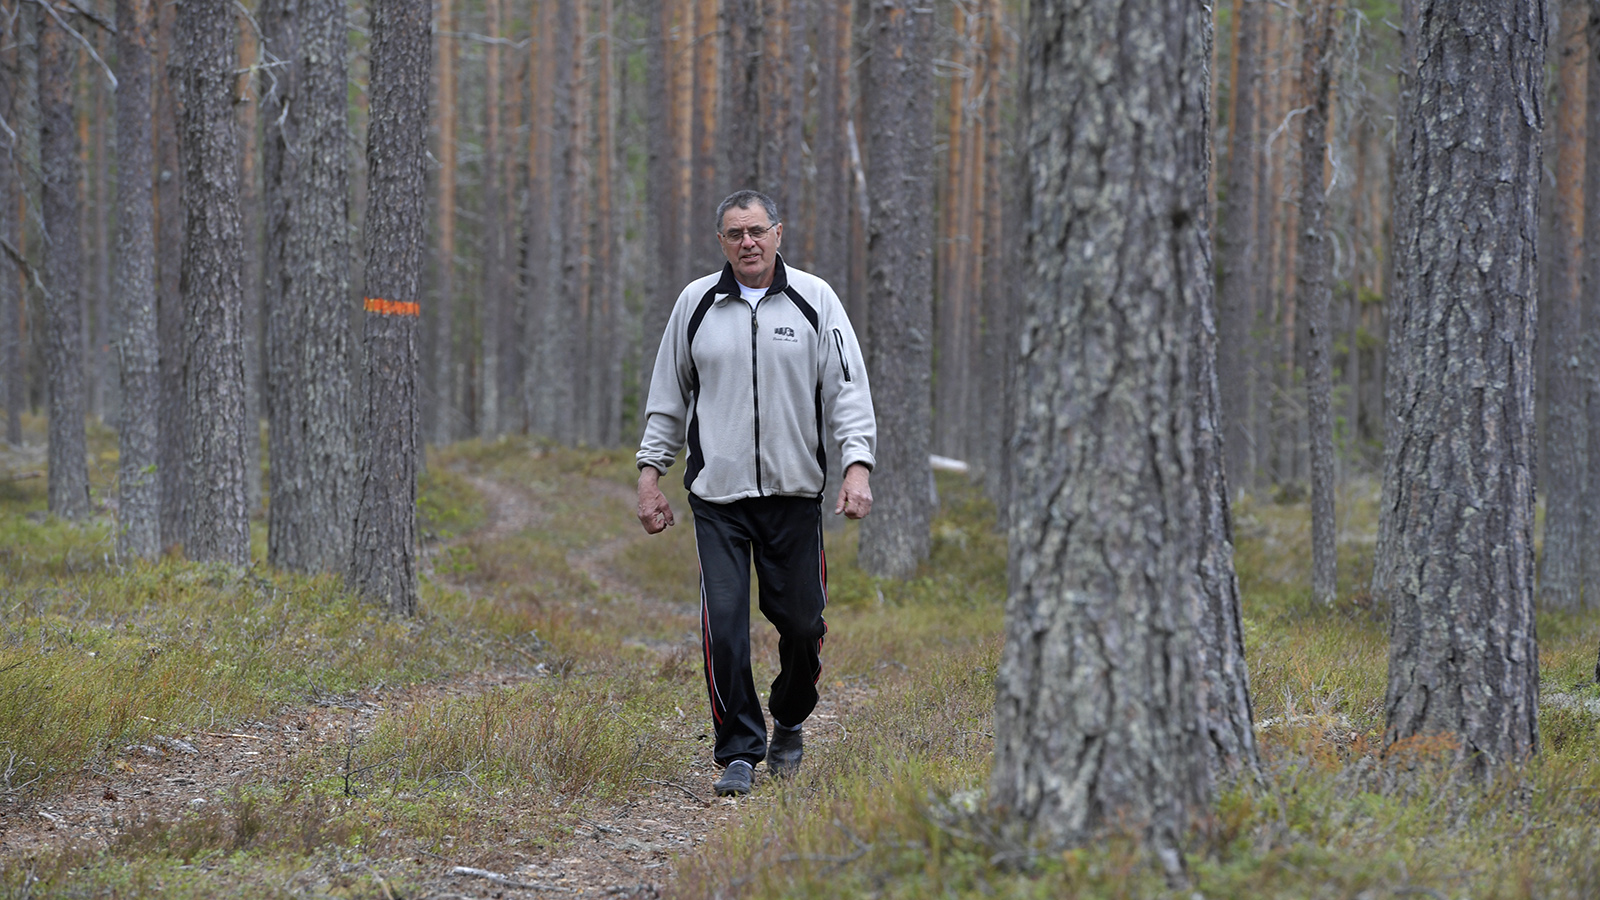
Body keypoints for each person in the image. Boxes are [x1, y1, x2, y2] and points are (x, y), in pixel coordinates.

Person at [636, 190, 876, 797]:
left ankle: (789, 718)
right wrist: (650, 474)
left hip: (794, 496)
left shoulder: (816, 299)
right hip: (718, 498)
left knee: (803, 625)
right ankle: (739, 750)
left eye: (757, 231)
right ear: (721, 242)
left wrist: (857, 466)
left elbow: (847, 390)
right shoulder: (696, 303)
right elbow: (668, 395)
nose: (747, 242)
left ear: (777, 233)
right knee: (723, 626)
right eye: (734, 233)